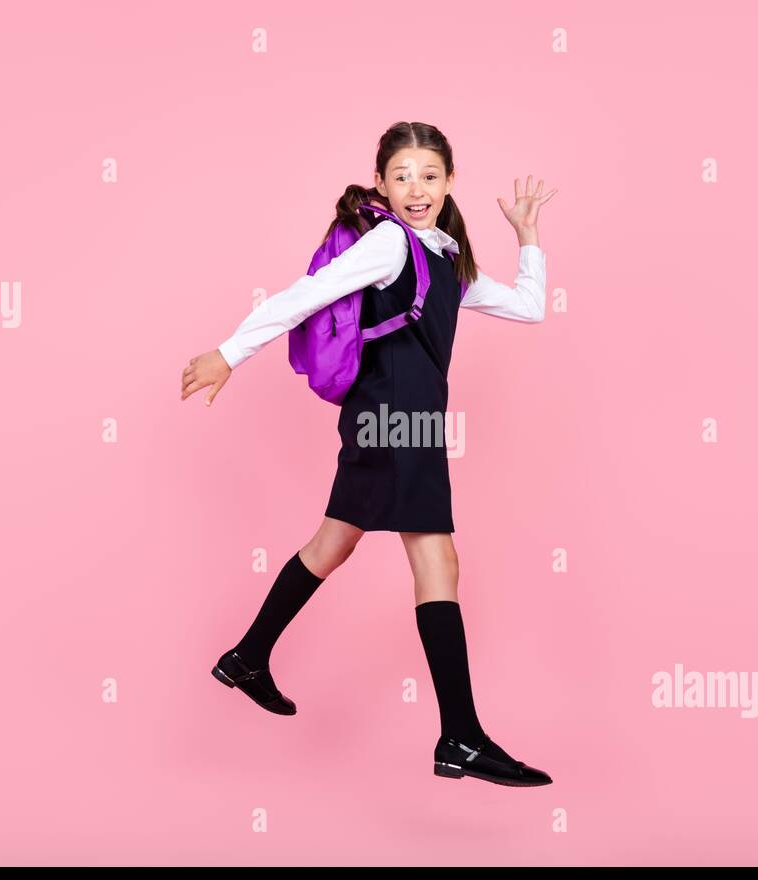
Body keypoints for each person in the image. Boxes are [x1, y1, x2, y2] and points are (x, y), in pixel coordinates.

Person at [180, 121, 556, 787]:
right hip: (396, 419)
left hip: (396, 420)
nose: (416, 188)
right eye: (403, 175)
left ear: (449, 182)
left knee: (334, 543)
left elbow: (530, 308)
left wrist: (527, 236)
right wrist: (229, 353)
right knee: (437, 558)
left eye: (430, 175)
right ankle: (460, 737)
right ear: (381, 182)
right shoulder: (390, 243)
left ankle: (246, 656)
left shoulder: (446, 257)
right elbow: (307, 295)